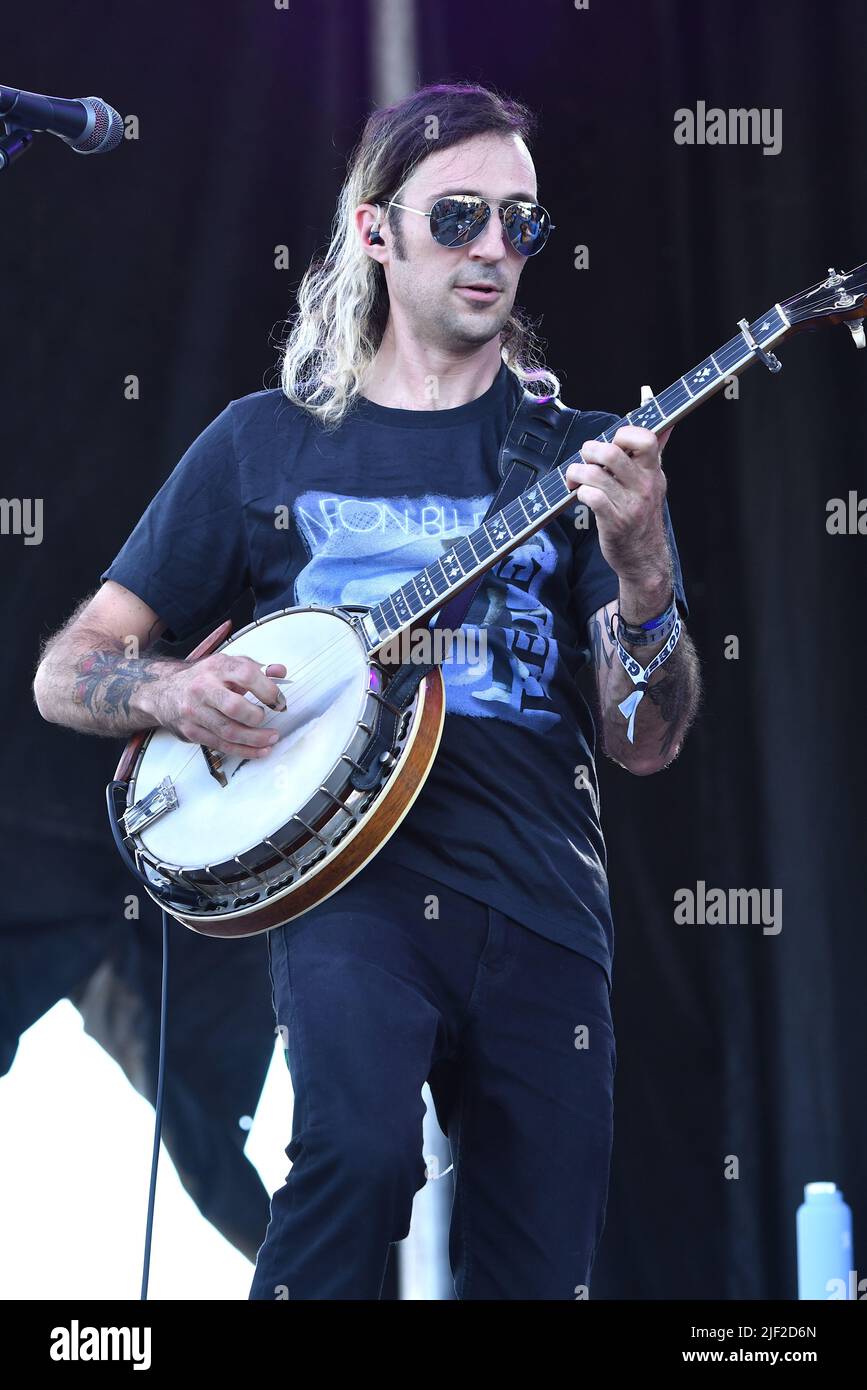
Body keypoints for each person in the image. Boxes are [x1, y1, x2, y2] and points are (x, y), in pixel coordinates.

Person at [32, 81, 702, 1300]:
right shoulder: (262, 444)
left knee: (537, 1263)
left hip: (547, 899)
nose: (495, 246)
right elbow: (69, 666)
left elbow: (644, 741)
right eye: (459, 218)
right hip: (358, 893)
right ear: (373, 231)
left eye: (522, 224)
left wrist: (645, 572)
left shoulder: (587, 457)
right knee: (356, 1151)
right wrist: (175, 693)